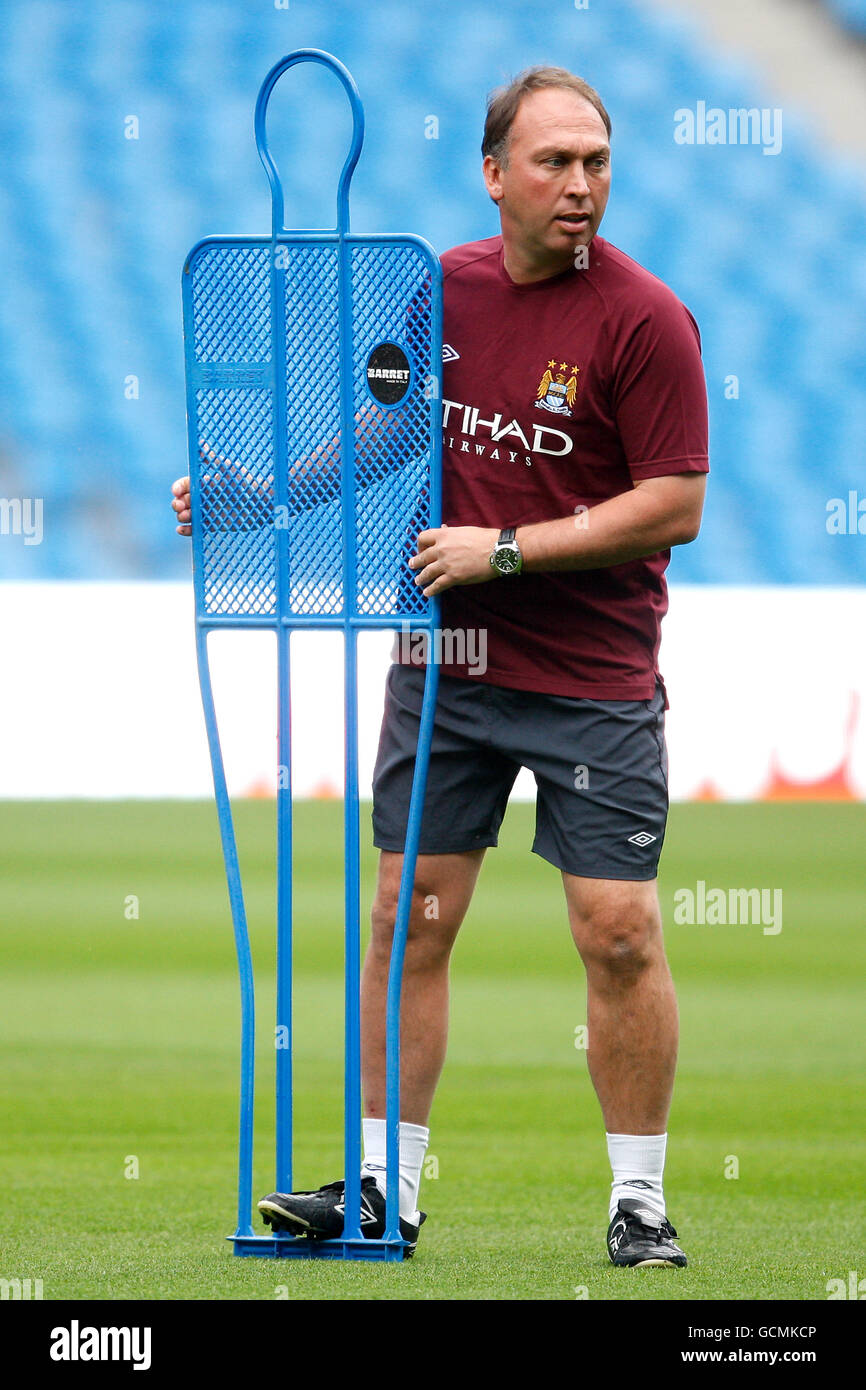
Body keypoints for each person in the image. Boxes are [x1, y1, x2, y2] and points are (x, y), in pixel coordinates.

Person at [172, 65, 708, 1268]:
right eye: (553, 163)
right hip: (446, 665)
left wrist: (504, 550)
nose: (579, 186)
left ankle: (637, 1203)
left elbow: (673, 504)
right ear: (492, 174)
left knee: (615, 930)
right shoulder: (441, 290)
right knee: (407, 922)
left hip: (593, 678)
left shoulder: (645, 319)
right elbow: (391, 426)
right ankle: (382, 1193)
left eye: (596, 163)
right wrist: (262, 501)